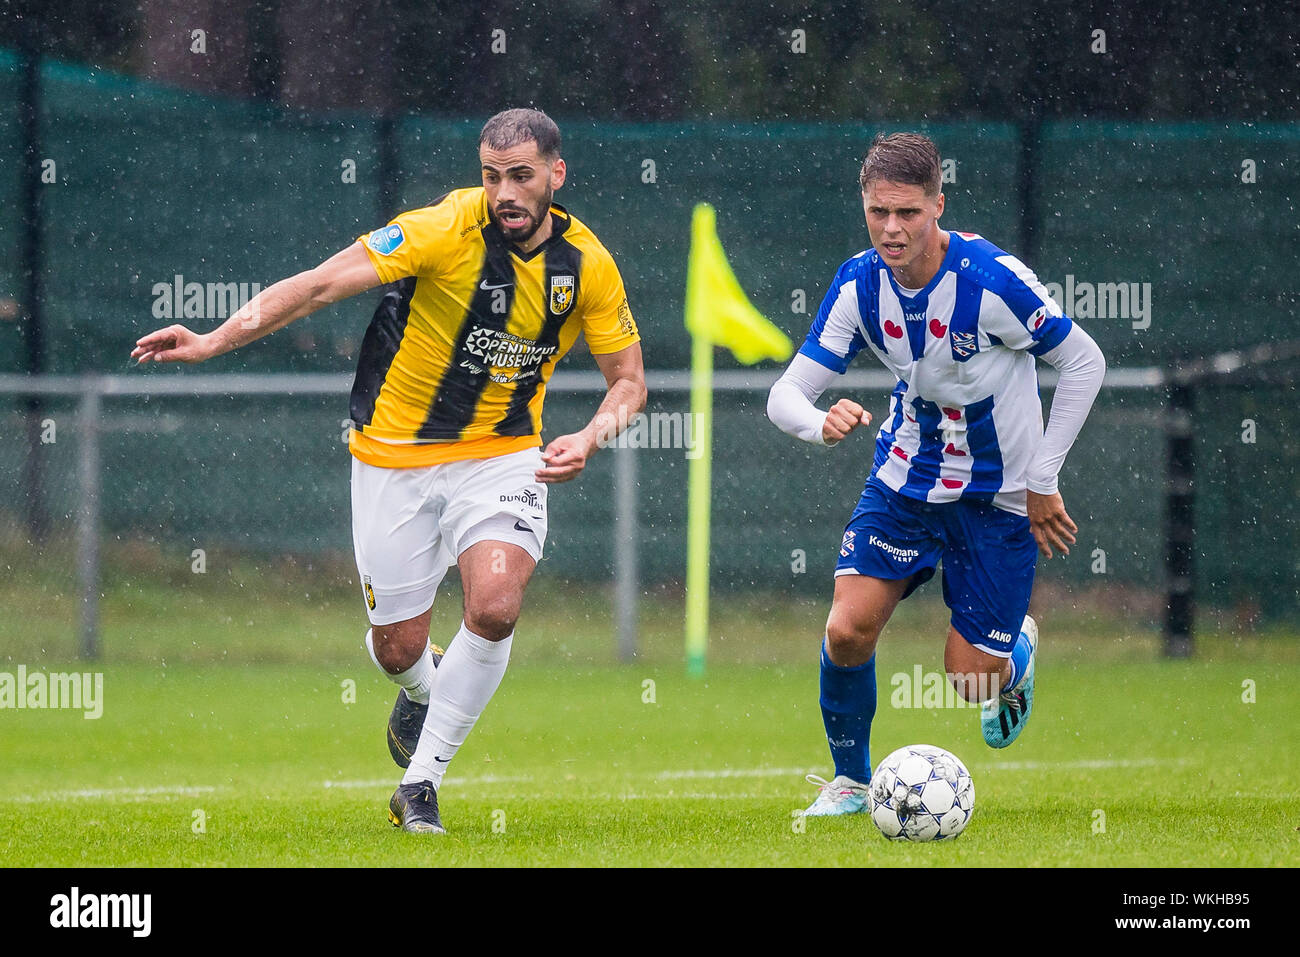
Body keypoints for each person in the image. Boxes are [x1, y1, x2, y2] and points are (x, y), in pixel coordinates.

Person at [132, 108, 646, 834]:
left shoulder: (587, 264)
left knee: (495, 605)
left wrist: (593, 434)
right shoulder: (441, 229)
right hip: (392, 458)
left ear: (556, 176)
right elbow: (317, 285)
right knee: (396, 646)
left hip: (500, 456)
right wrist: (213, 339)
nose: (504, 192)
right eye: (492, 175)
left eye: (521, 176)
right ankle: (419, 683)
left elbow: (629, 381)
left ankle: (421, 783)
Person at [767, 132, 1105, 816]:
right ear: (864, 205)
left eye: (909, 213)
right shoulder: (859, 282)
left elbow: (1083, 361)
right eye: (878, 212)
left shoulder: (991, 281)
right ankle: (851, 781)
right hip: (904, 483)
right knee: (846, 629)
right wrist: (816, 421)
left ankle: (1012, 659)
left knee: (970, 683)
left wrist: (1043, 477)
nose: (892, 229)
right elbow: (784, 395)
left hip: (999, 500)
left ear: (938, 205)